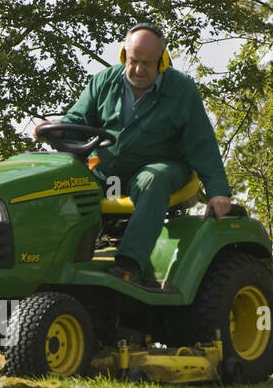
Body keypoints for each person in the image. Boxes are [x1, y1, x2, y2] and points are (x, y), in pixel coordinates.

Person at [34, 23, 233, 285]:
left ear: (162, 61)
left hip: (161, 169)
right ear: (123, 56)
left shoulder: (181, 90)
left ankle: (129, 264)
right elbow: (77, 120)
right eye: (133, 61)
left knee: (153, 178)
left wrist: (218, 191)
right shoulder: (103, 82)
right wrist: (56, 129)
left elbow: (202, 143)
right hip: (106, 172)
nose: (139, 70)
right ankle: (48, 257)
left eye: (147, 63)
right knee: (53, 178)